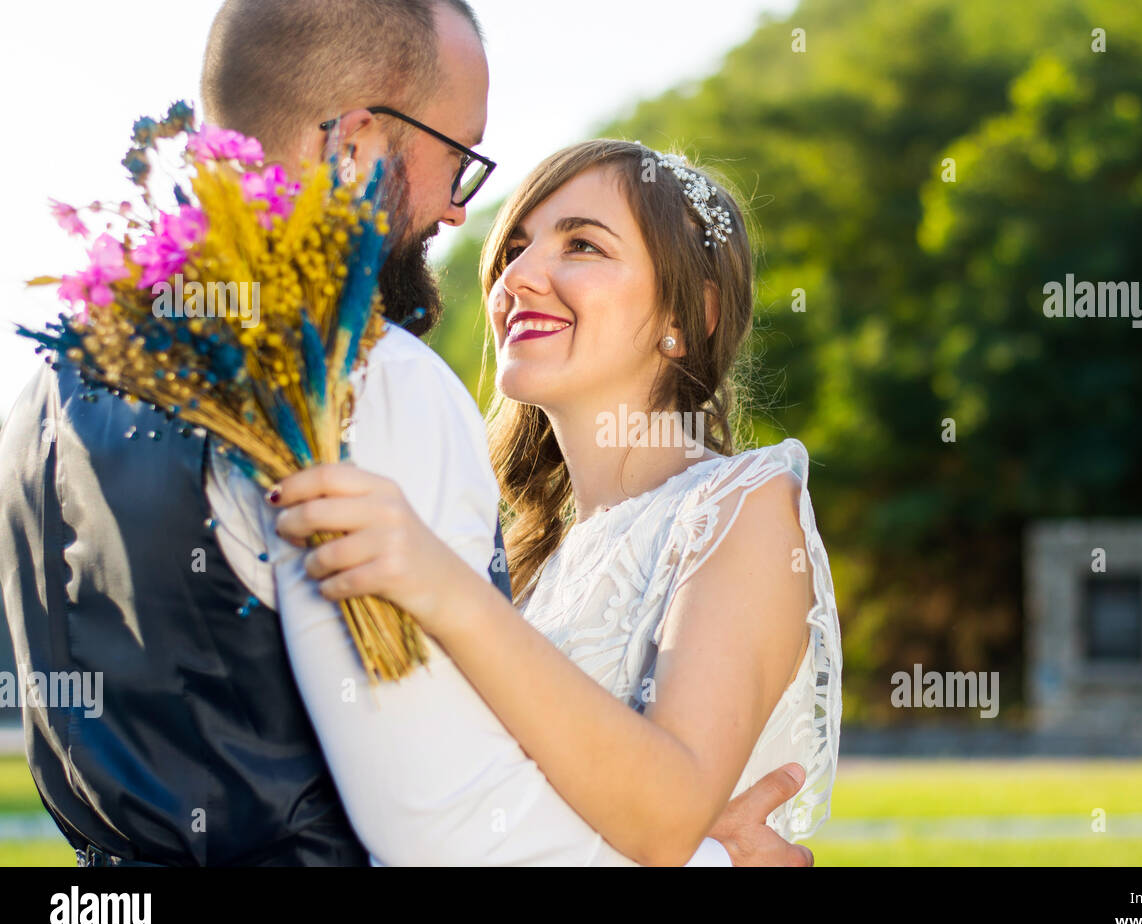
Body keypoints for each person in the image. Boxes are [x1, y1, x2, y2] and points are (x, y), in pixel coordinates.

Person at [0, 0, 808, 866]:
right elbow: (444, 830)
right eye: (456, 159)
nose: (465, 220)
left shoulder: (55, 386)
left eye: (580, 244)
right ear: (354, 146)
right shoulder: (364, 383)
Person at [253, 139, 844, 865]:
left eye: (583, 246)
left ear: (692, 314)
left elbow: (666, 815)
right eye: (514, 250)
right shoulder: (531, 554)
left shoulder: (740, 508)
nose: (518, 279)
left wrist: (441, 586)